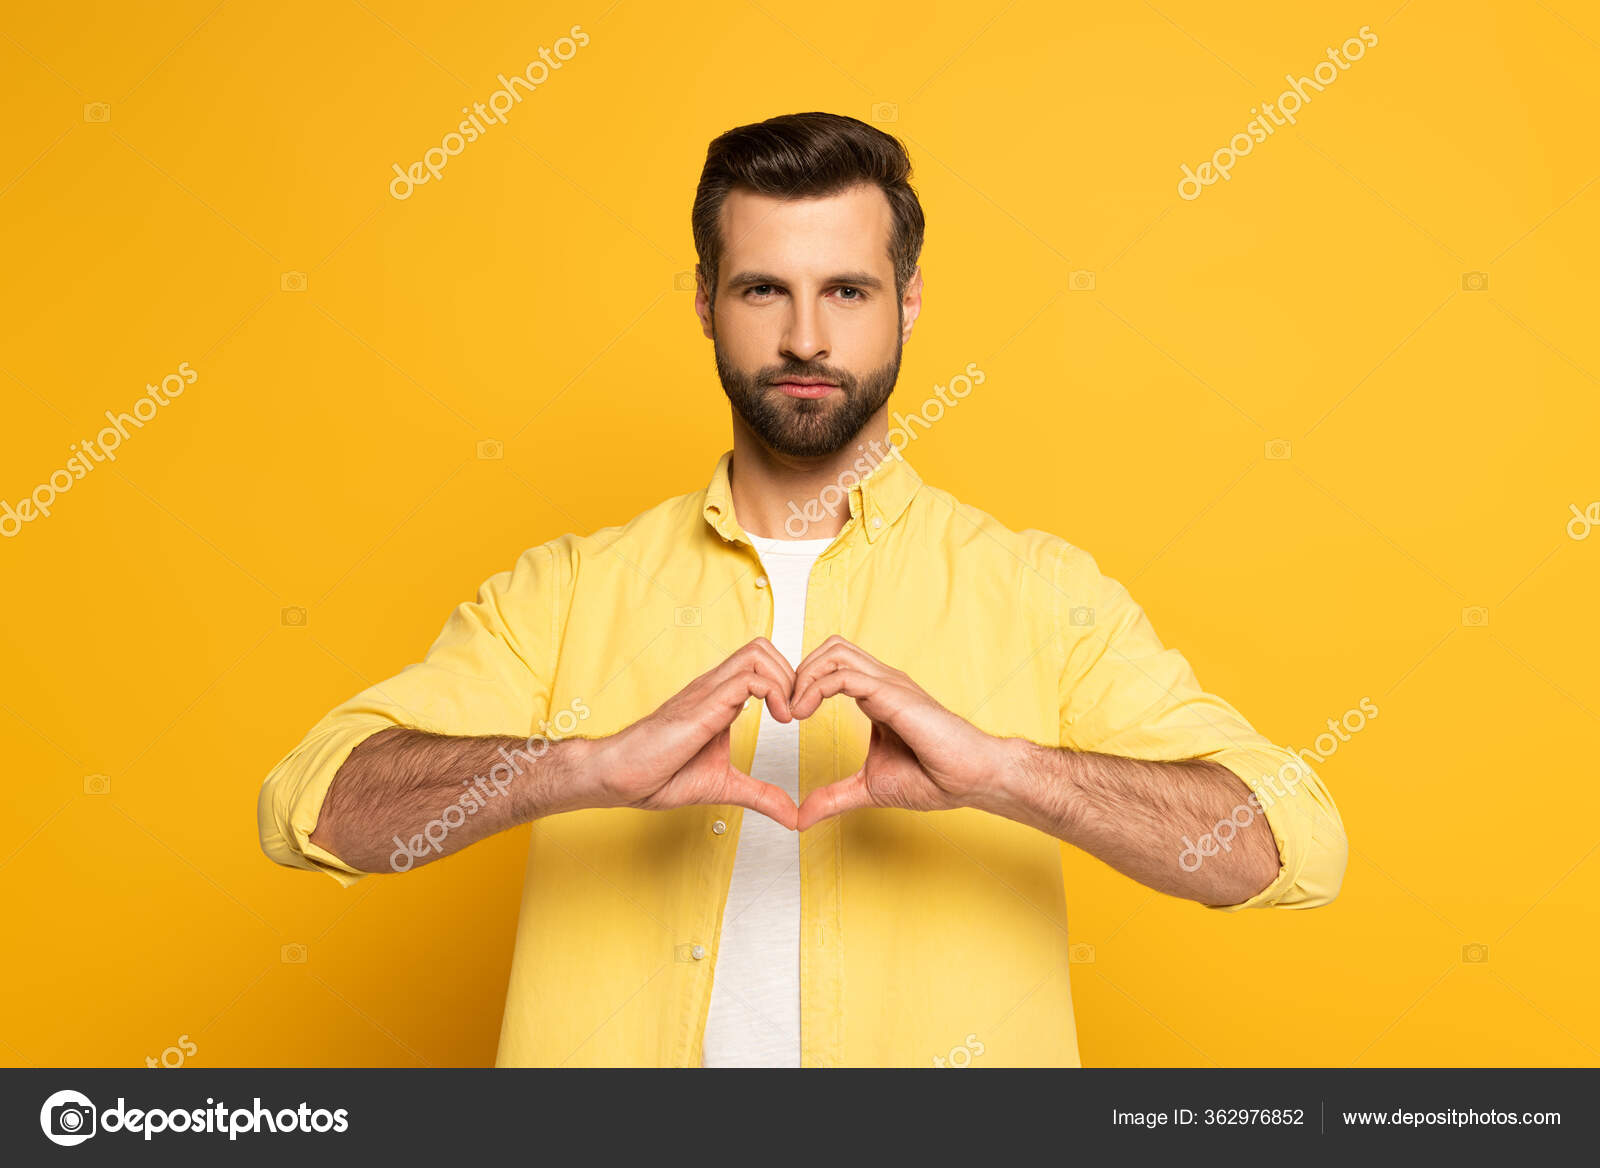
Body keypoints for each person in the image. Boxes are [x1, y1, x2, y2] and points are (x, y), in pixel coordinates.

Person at [258, 111, 1347, 1068]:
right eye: (763, 289)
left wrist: (1006, 772)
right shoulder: (571, 590)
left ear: (908, 304)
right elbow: (313, 808)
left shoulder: (1039, 593)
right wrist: (581, 768)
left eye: (847, 291)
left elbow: (1287, 845)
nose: (806, 339)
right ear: (705, 302)